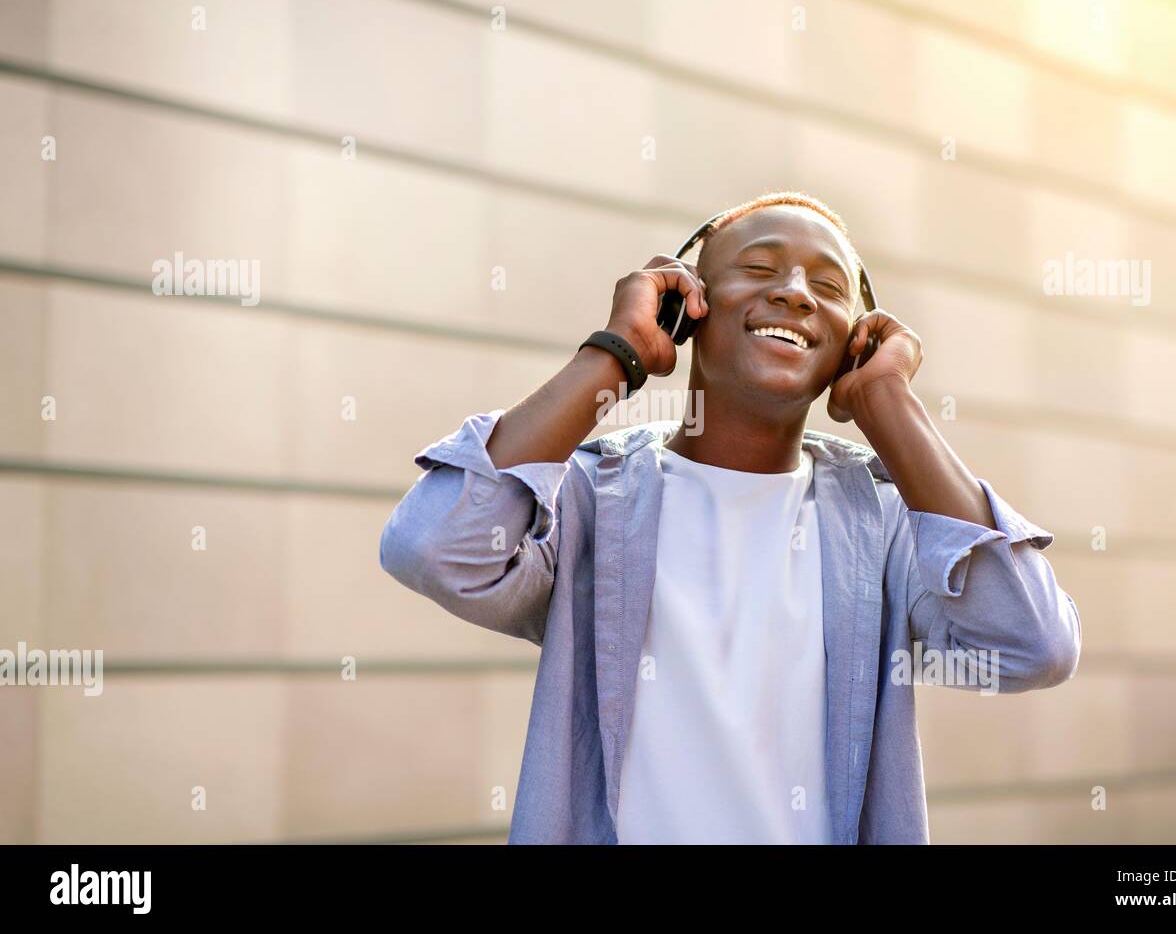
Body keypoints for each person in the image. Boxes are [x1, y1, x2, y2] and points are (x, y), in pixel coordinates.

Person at [379, 191, 1082, 844]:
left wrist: (889, 402)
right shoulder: (590, 500)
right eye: (759, 268)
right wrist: (614, 357)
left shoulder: (886, 528)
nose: (794, 292)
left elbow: (1033, 644)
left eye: (829, 287)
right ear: (689, 309)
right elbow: (434, 548)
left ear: (852, 343)